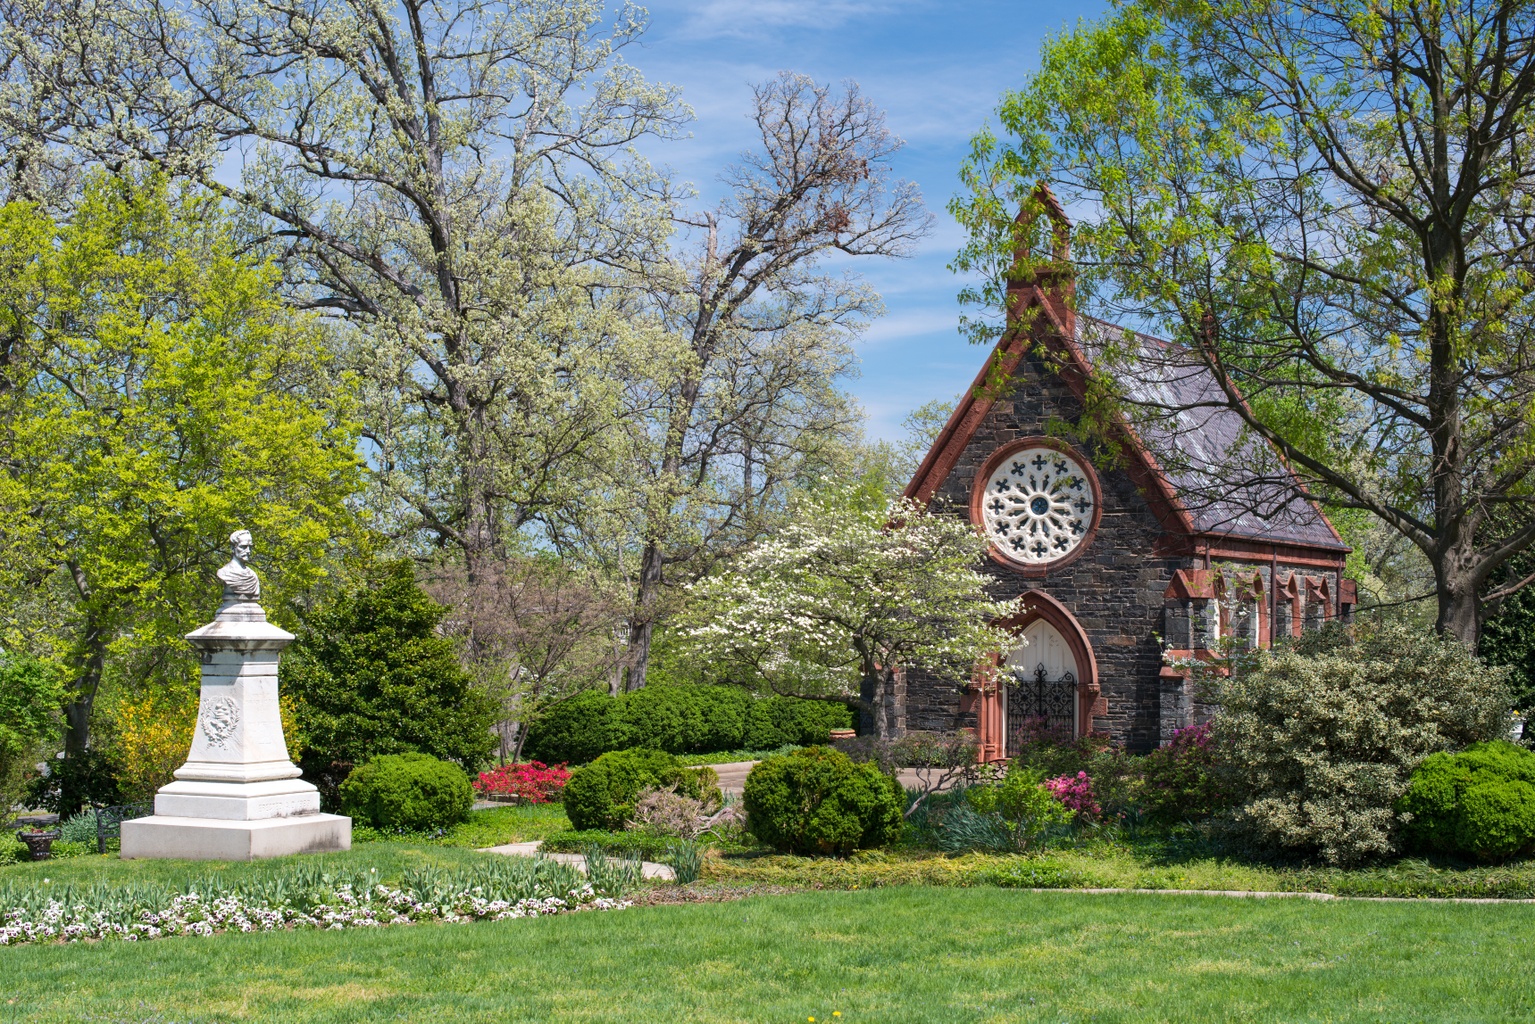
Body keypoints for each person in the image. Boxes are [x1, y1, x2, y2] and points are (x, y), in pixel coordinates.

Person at [216, 529, 261, 603]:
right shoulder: (224, 573)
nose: (248, 551)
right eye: (243, 547)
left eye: (250, 547)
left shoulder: (253, 576)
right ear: (233, 548)